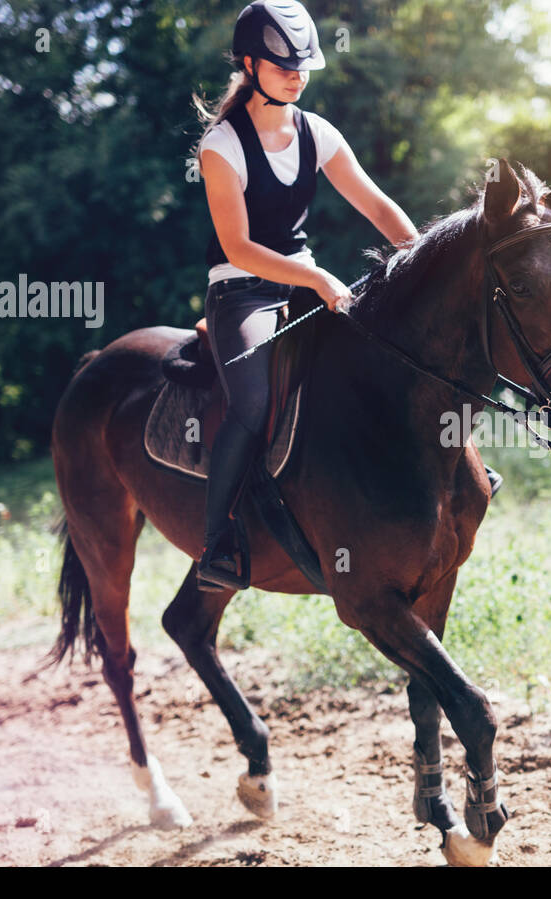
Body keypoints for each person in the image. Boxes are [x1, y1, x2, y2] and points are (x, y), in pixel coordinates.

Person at [193, 1, 500, 592]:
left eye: (302, 66)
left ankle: (457, 477)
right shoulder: (221, 146)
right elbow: (237, 246)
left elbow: (379, 207)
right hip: (242, 295)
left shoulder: (317, 133)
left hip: (308, 283)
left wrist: (422, 263)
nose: (296, 76)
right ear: (250, 64)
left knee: (392, 360)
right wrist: (316, 278)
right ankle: (220, 541)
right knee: (253, 405)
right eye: (283, 66)